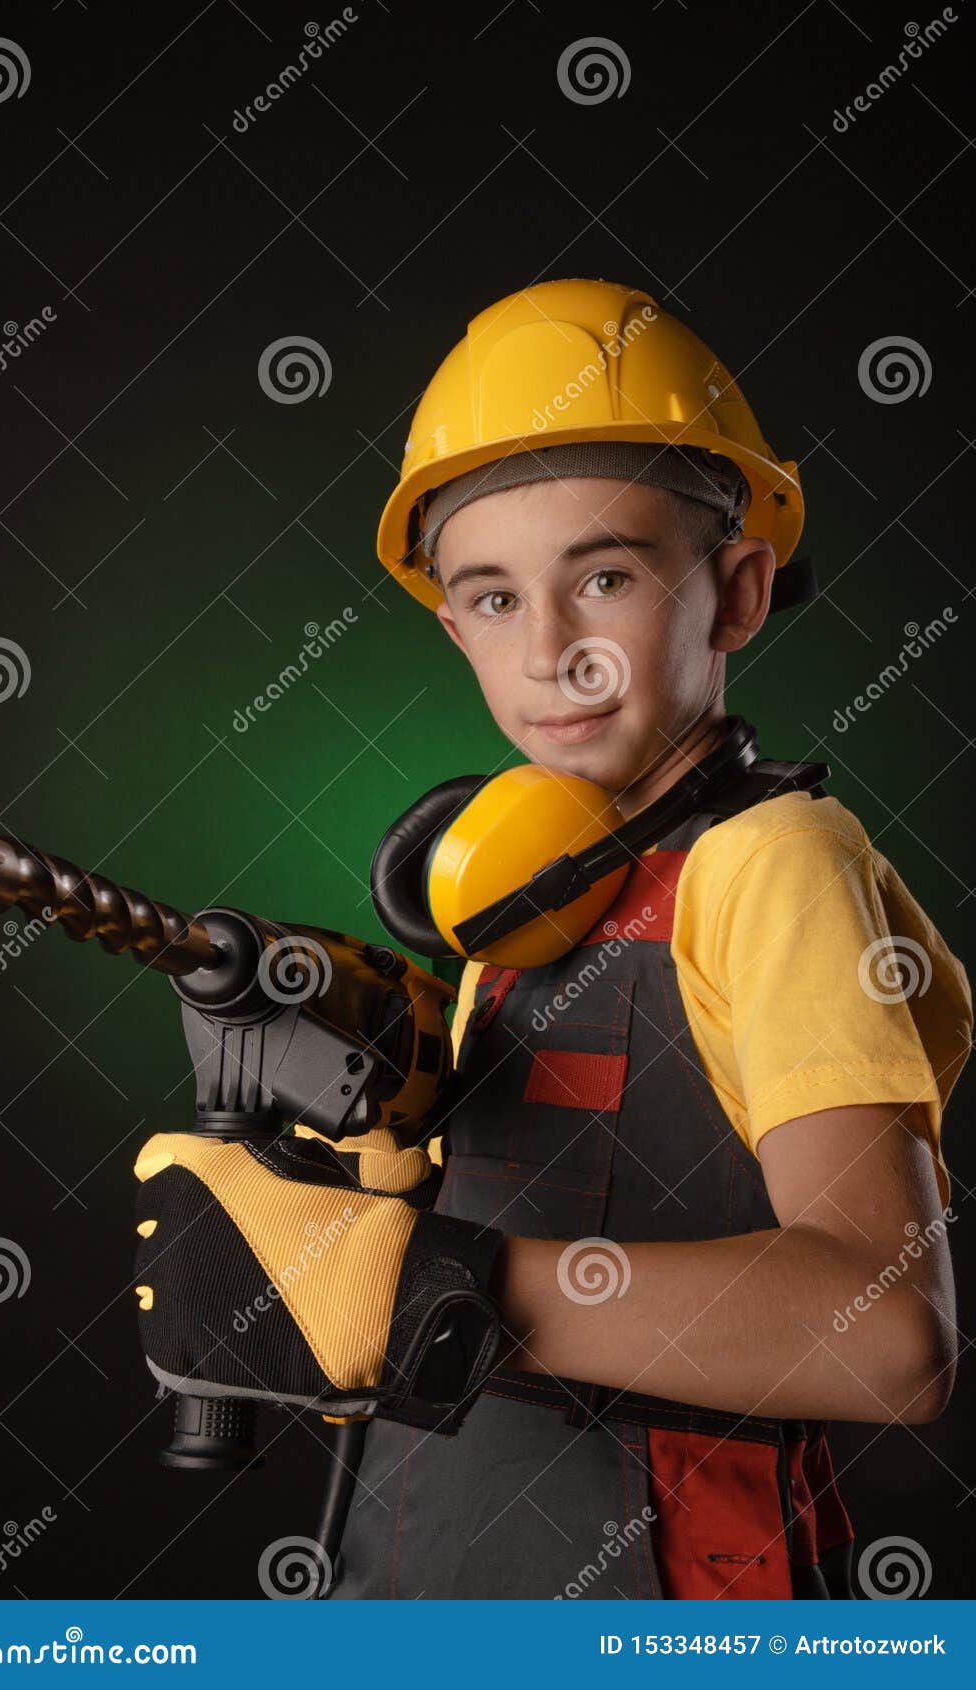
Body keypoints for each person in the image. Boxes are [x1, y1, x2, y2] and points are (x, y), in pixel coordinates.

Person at [320, 277, 972, 1600]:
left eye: (603, 574)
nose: (553, 649)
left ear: (736, 590)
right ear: (452, 630)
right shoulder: (517, 887)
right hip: (422, 1580)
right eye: (494, 599)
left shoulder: (771, 865)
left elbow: (891, 1336)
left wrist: (433, 1285)